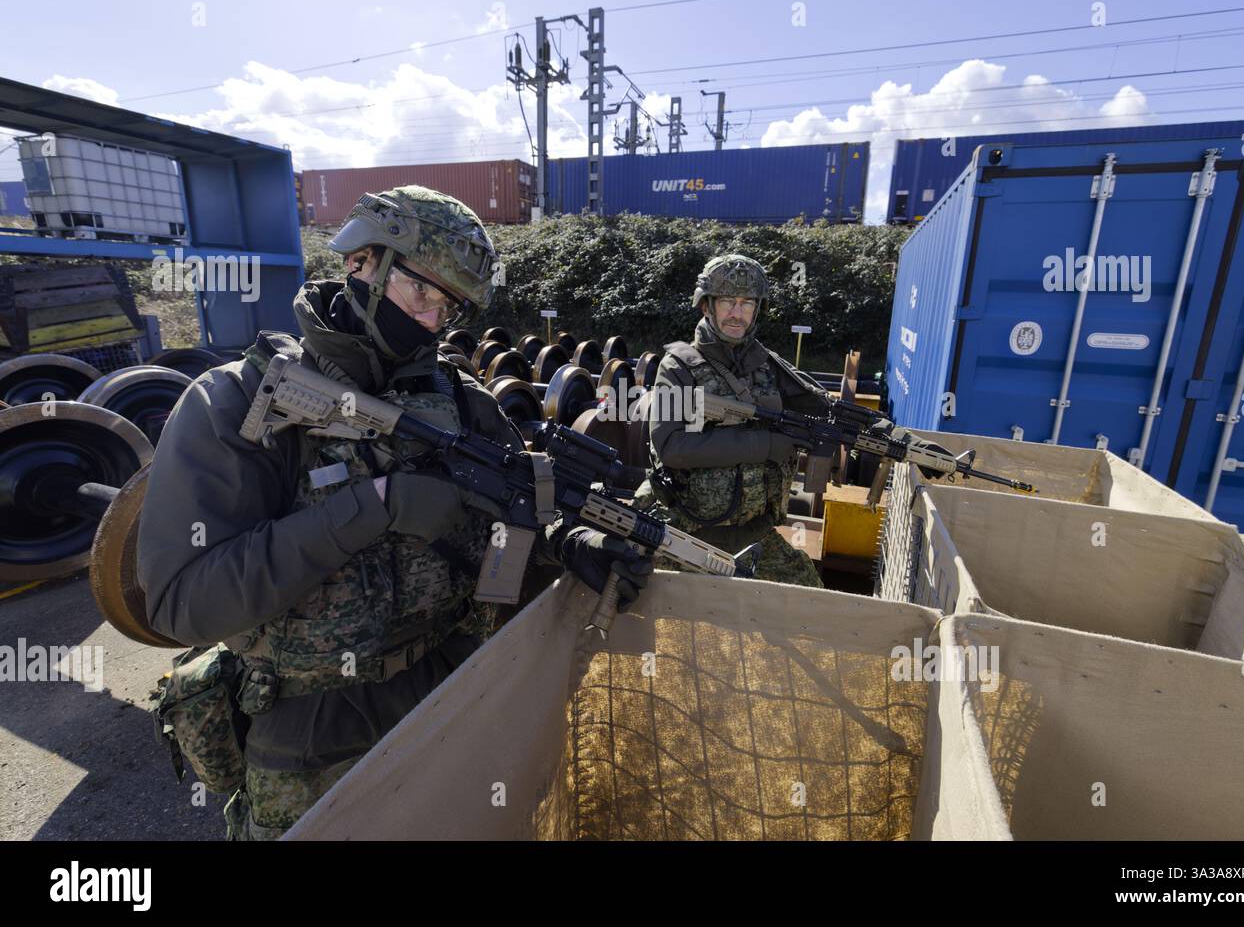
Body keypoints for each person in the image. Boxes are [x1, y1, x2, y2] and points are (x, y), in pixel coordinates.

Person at [138, 186, 650, 839]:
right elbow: (184, 601)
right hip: (310, 740)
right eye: (422, 294)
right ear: (362, 264)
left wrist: (563, 542)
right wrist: (371, 507)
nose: (436, 322)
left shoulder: (463, 405)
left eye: (451, 305)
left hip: (453, 701)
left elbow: (507, 526)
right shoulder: (238, 403)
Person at [632, 253, 828, 588]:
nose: (737, 313)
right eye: (727, 301)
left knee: (812, 606)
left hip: (754, 537)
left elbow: (823, 407)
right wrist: (766, 445)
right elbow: (672, 447)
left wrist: (893, 437)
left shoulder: (766, 364)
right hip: (686, 536)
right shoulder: (677, 367)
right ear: (706, 306)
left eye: (746, 303)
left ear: (757, 310)